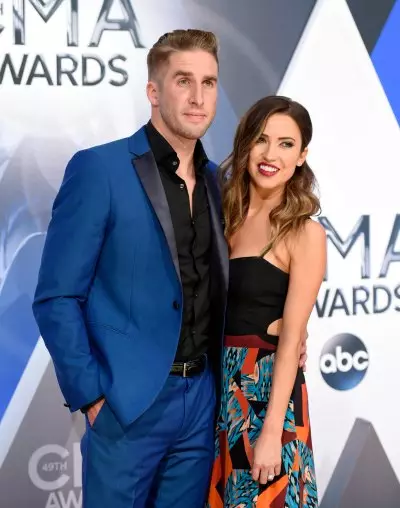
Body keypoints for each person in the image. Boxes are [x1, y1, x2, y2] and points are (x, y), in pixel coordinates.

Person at [32, 30, 307, 507]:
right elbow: (56, 297)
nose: (199, 97)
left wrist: (289, 330)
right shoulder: (100, 170)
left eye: (209, 82)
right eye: (184, 81)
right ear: (154, 91)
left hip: (203, 402)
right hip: (127, 403)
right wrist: (94, 397)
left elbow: (247, 276)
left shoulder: (220, 184)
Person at [207, 96, 326, 507]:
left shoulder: (304, 233)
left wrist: (273, 430)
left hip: (264, 395)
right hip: (212, 388)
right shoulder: (222, 213)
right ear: (245, 145)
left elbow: (292, 337)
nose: (271, 154)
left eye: (286, 144)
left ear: (302, 155)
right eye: (261, 139)